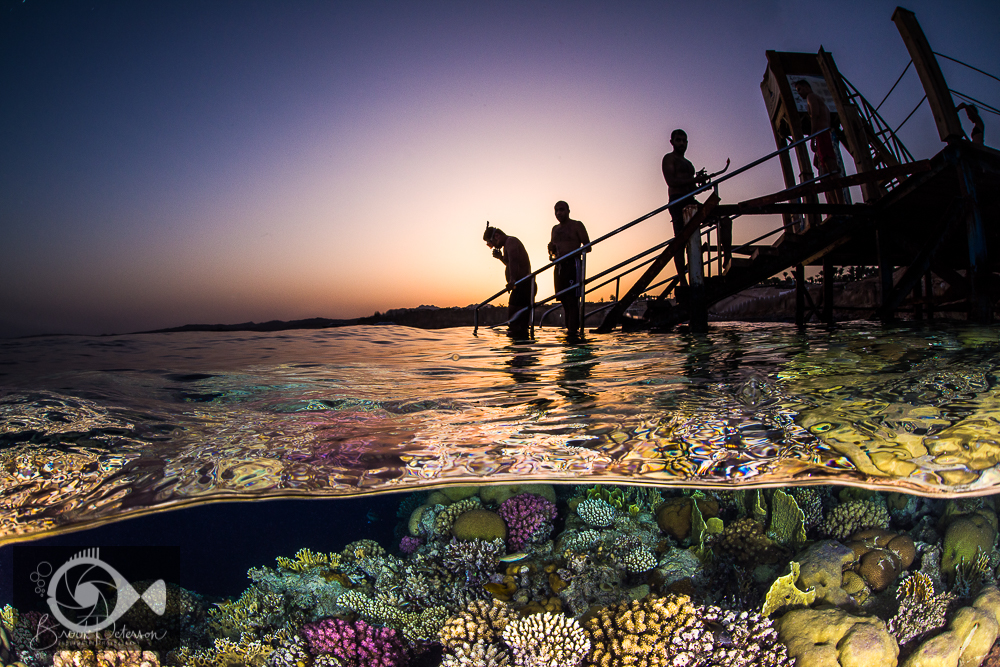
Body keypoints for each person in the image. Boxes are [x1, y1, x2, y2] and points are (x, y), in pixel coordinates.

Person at [662, 129, 707, 286]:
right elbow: (671, 181)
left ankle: (727, 258)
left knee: (723, 219)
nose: (681, 143)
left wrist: (701, 184)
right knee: (680, 241)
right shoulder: (669, 158)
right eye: (678, 140)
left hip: (691, 200)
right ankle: (683, 280)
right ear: (672, 142)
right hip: (677, 202)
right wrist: (693, 180)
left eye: (684, 140)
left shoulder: (689, 164)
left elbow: (691, 186)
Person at [794, 79, 844, 206]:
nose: (799, 92)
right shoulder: (818, 99)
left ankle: (840, 204)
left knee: (831, 170)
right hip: (823, 135)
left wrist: (812, 138)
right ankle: (834, 205)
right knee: (824, 172)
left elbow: (815, 116)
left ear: (806, 87)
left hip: (822, 135)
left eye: (799, 89)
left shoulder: (812, 97)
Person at [547, 200, 590, 334]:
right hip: (559, 267)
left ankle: (573, 333)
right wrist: (551, 250)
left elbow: (588, 246)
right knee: (564, 301)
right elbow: (553, 250)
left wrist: (569, 254)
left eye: (561, 209)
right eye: (556, 210)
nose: (558, 213)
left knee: (572, 301)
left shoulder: (576, 225)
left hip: (573, 265)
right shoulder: (555, 229)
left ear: (568, 211)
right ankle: (569, 332)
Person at [484, 223, 533, 338]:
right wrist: (500, 257)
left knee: (517, 322)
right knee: (514, 321)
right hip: (519, 286)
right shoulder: (507, 245)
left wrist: (512, 280)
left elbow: (515, 261)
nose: (493, 247)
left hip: (523, 285)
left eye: (491, 244)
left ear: (497, 236)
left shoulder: (511, 242)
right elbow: (510, 264)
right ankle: (518, 350)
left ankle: (522, 350)